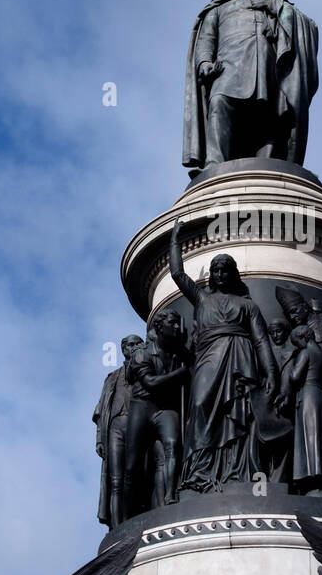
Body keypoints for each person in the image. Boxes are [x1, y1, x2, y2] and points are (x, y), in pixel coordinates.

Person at [169, 220, 277, 490]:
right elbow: (177, 274)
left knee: (240, 411)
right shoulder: (202, 299)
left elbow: (261, 340)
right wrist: (174, 239)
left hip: (240, 357)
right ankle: (200, 472)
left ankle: (236, 470)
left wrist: (271, 372)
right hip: (208, 359)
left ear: (232, 274)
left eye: (224, 269)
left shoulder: (247, 305)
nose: (219, 273)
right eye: (215, 269)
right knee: (200, 406)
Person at [182, 0, 319, 169]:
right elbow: (206, 38)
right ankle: (214, 163)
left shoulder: (280, 6)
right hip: (227, 70)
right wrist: (204, 63)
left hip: (269, 71)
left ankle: (268, 166)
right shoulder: (220, 8)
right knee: (219, 104)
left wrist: (275, 7)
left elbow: (309, 27)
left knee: (272, 118)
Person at [123, 309, 191, 511]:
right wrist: (181, 373)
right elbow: (150, 382)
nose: (177, 327)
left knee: (173, 444)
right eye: (173, 323)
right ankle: (128, 515)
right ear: (161, 327)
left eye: (179, 323)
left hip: (164, 408)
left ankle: (171, 495)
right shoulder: (141, 354)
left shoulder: (179, 353)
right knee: (132, 465)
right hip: (142, 407)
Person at [277, 323, 322, 496]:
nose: (297, 346)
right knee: (319, 437)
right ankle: (320, 481)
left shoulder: (305, 353)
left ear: (303, 338)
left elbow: (295, 377)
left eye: (296, 342)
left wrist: (288, 365)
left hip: (308, 395)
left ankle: (312, 480)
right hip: (321, 396)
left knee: (310, 439)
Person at [93, 333, 143, 528]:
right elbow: (100, 410)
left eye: (137, 344)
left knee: (135, 477)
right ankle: (117, 526)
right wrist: (99, 439)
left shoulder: (144, 372)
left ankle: (136, 517)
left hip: (137, 425)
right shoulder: (112, 377)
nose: (133, 348)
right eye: (130, 345)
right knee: (116, 481)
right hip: (115, 427)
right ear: (123, 350)